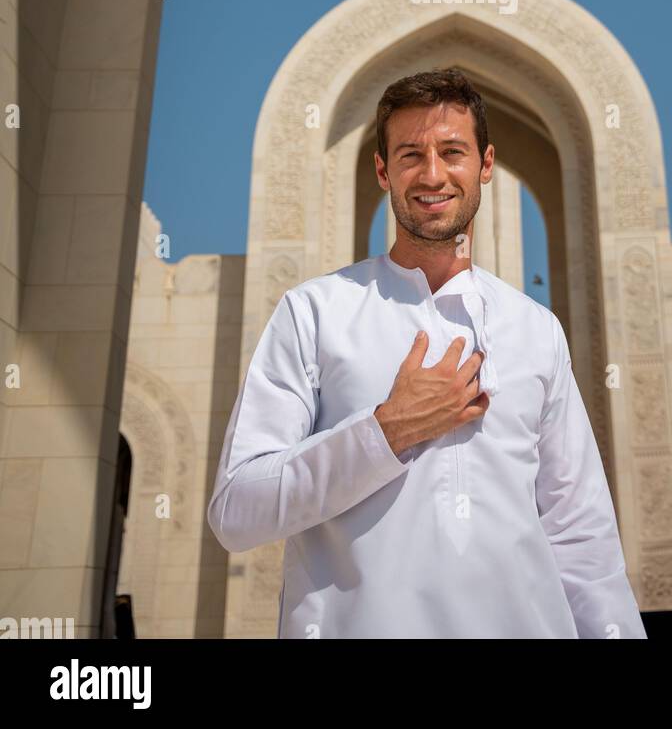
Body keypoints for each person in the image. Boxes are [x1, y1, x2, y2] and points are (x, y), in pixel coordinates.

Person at [207, 66, 647, 640]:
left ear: (486, 165)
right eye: (411, 155)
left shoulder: (535, 329)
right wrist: (386, 431)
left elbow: (581, 536)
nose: (432, 174)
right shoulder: (314, 313)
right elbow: (237, 510)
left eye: (452, 151)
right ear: (384, 171)